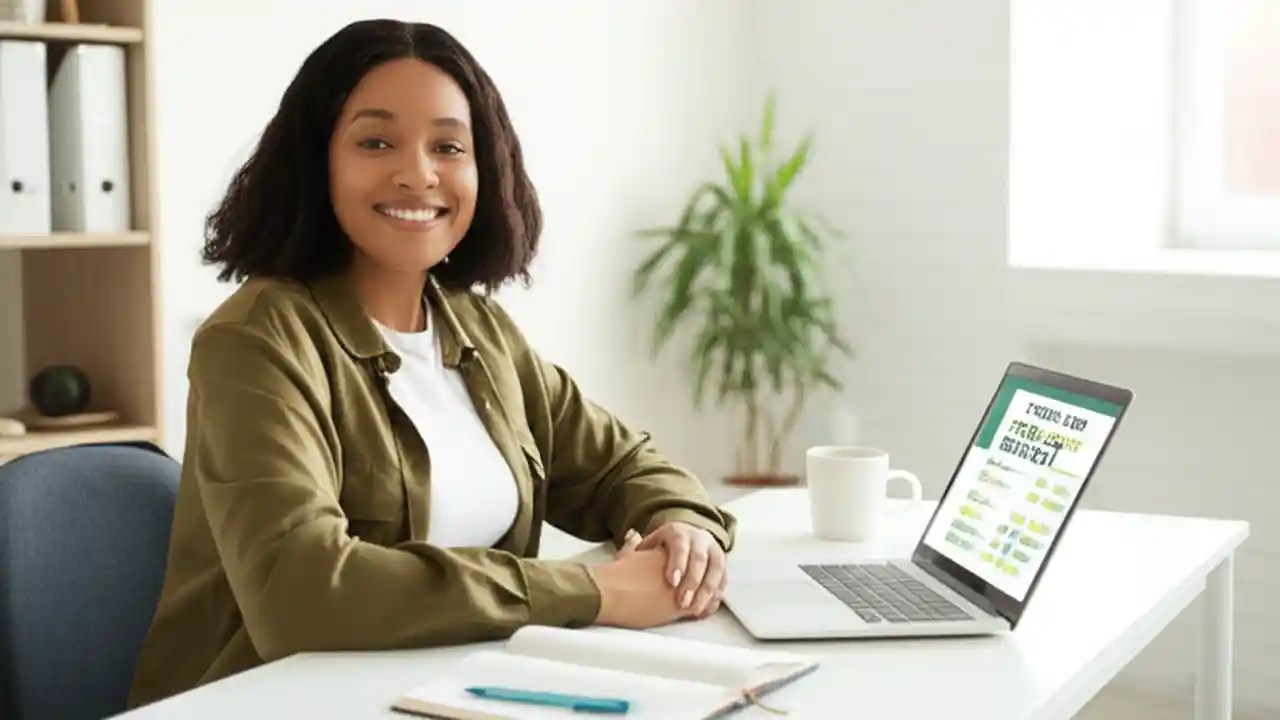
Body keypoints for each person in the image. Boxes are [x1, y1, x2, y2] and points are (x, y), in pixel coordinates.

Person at [126, 18, 736, 709]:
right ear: (317, 160)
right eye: (375, 141)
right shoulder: (255, 341)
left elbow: (622, 465)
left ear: (484, 168)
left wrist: (683, 525)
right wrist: (594, 592)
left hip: (452, 690)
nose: (417, 173)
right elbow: (300, 591)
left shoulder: (479, 330)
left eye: (448, 146)